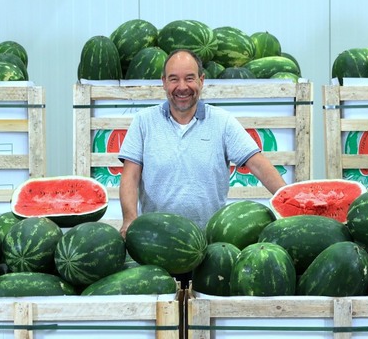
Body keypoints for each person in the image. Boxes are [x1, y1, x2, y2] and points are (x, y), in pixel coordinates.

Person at [118, 49, 285, 234]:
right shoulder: (143, 121)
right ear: (164, 82)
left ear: (201, 80)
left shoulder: (223, 122)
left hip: (210, 241)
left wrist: (291, 203)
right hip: (154, 239)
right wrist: (129, 219)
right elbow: (130, 177)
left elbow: (259, 165)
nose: (182, 87)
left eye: (189, 78)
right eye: (174, 79)